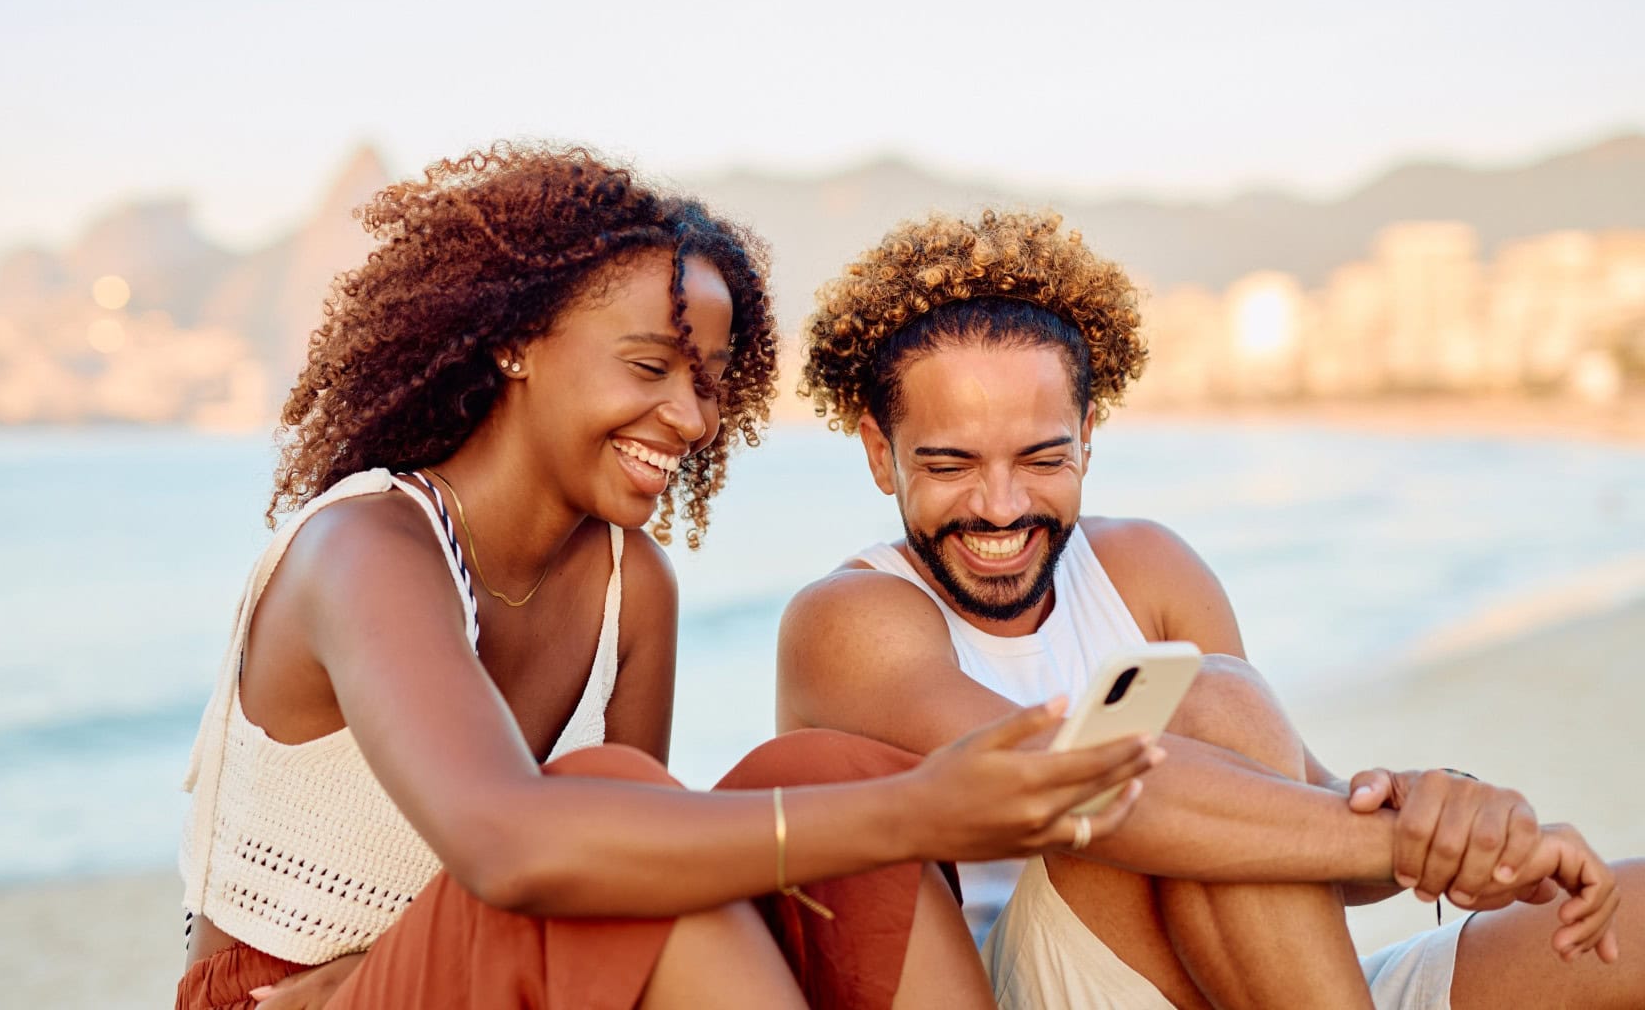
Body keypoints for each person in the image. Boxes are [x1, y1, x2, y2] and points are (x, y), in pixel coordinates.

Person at [173, 148, 1163, 1010]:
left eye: (709, 381)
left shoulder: (630, 585)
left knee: (823, 772)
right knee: (610, 800)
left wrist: (890, 807)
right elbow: (520, 849)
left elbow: (617, 852)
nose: (691, 420)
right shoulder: (366, 548)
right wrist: (926, 810)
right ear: (513, 343)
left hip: (495, 959)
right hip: (287, 998)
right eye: (650, 368)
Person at [779, 209, 1645, 1009]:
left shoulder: (1148, 567)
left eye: (1043, 458)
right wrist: (1405, 846)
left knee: (1630, 916)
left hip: (1256, 978)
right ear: (879, 454)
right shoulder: (851, 620)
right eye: (950, 465)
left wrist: (1443, 809)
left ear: (1088, 433)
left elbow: (1305, 821)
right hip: (1040, 990)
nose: (1001, 506)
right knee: (1204, 702)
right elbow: (1075, 795)